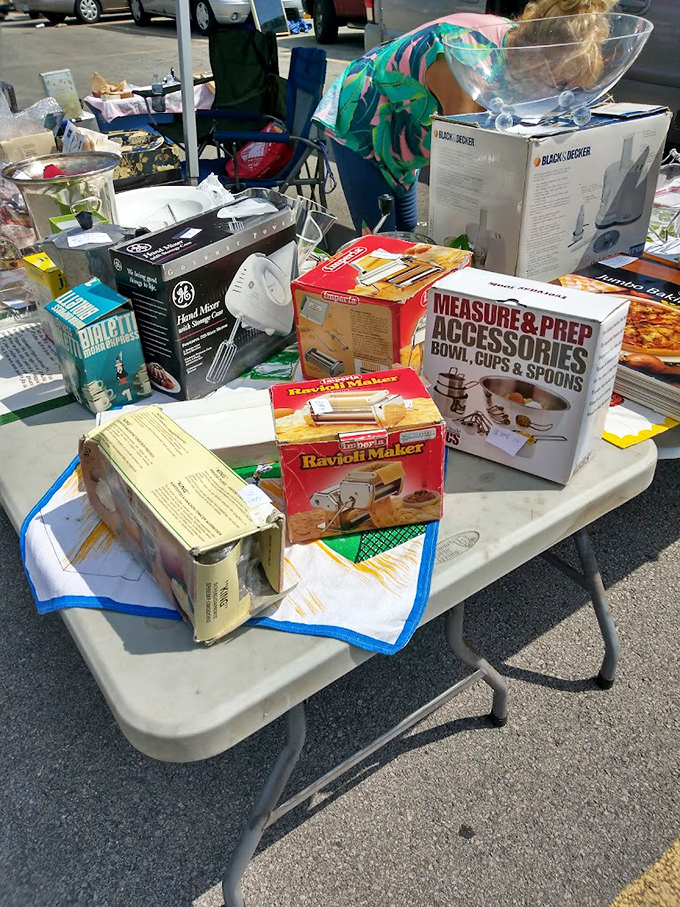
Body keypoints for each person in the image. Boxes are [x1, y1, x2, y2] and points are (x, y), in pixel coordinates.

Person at [314, 0, 618, 234]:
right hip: (360, 121)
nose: (561, 94)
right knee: (380, 247)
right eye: (561, 84)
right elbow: (463, 159)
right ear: (539, 55)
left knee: (407, 233)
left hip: (406, 135)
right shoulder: (470, 60)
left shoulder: (519, 50)